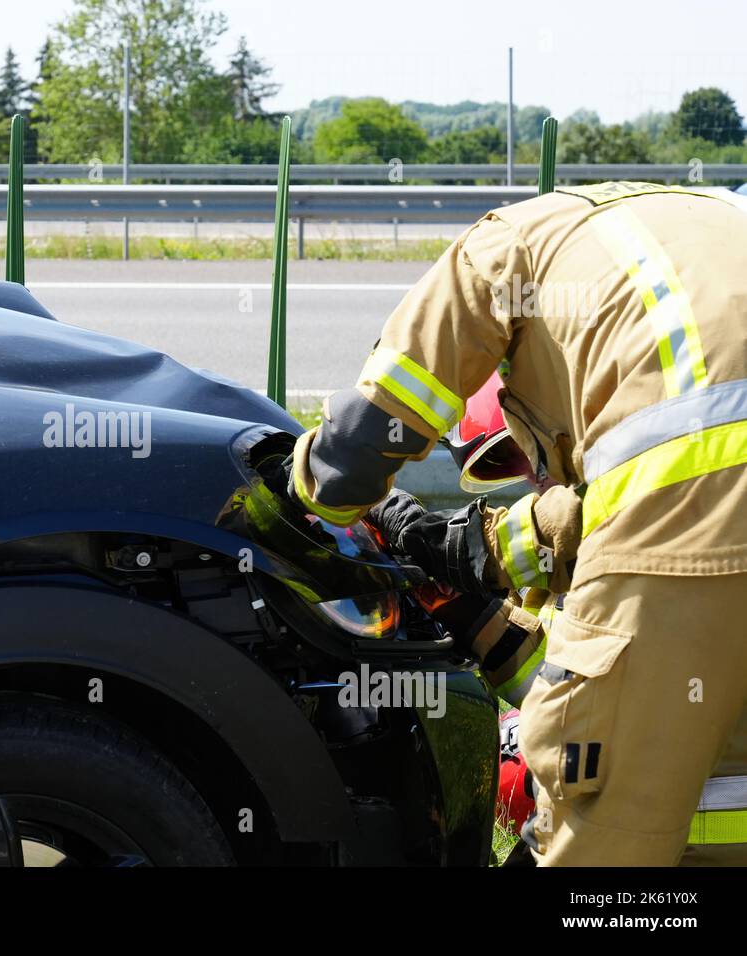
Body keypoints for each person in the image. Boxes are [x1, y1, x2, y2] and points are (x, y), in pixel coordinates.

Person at [284, 181, 747, 866]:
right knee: (727, 790)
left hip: (694, 540)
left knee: (608, 835)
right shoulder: (709, 225)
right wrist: (462, 556)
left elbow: (358, 444)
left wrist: (296, 504)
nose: (535, 475)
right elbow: (654, 479)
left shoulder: (500, 248)